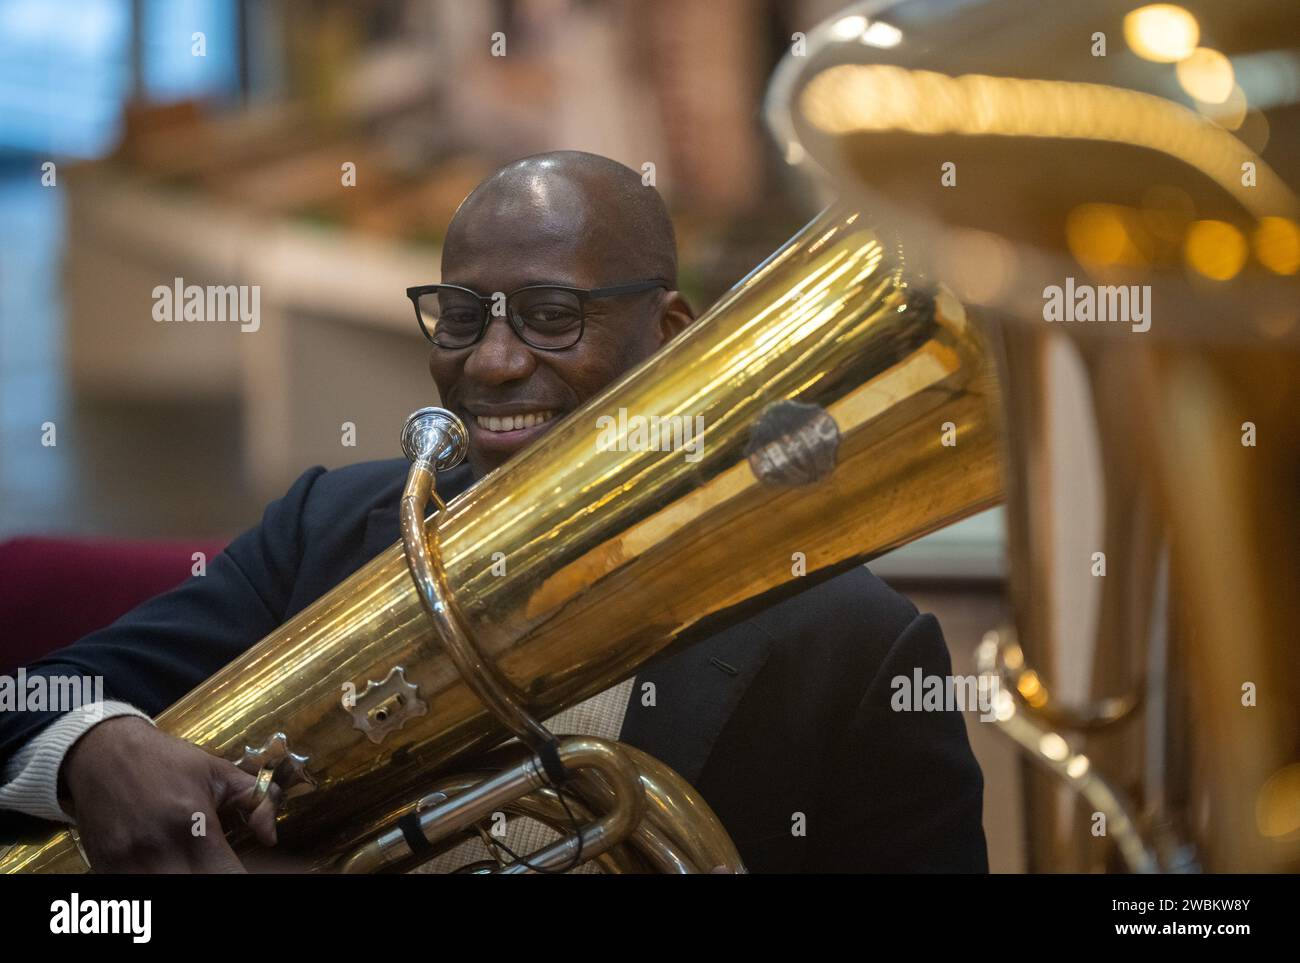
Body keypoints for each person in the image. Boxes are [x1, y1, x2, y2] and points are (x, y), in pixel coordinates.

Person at [0, 151, 987, 873]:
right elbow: (24, 699)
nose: (493, 361)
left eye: (554, 315)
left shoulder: (855, 643)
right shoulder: (333, 527)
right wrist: (95, 745)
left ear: (671, 337)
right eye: (462, 317)